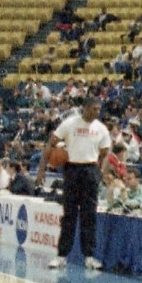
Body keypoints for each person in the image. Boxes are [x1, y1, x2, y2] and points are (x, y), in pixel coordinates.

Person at [47, 98, 111, 271]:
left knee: (89, 216)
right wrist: (41, 170)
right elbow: (51, 142)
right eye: (94, 108)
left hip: (90, 170)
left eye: (99, 109)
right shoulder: (69, 123)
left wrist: (100, 173)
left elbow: (105, 153)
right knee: (69, 215)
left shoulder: (101, 128)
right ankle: (61, 256)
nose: (97, 112)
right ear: (86, 107)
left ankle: (89, 257)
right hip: (72, 169)